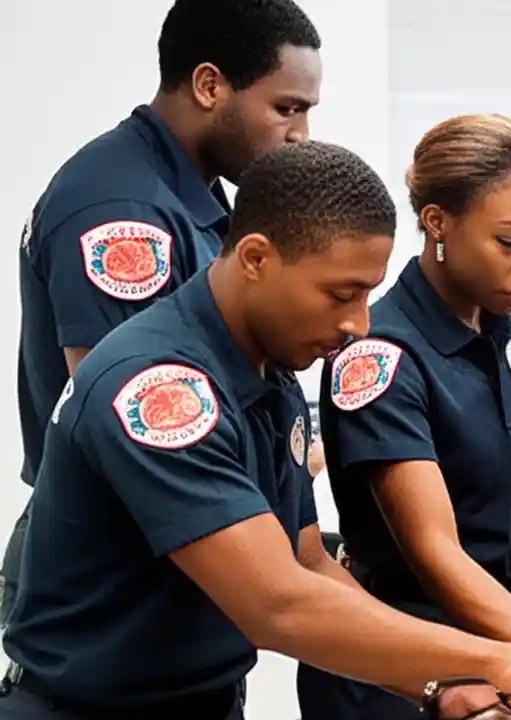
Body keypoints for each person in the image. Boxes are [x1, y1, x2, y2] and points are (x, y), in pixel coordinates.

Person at [0, 141, 511, 720]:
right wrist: (501, 656)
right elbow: (278, 605)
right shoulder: (161, 388)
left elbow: (308, 564)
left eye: (368, 294)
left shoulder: (272, 379)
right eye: (340, 294)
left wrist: (440, 685)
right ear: (256, 258)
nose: (357, 323)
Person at [4, 0, 324, 626]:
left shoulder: (197, 197)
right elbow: (133, 420)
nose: (300, 135)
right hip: (106, 572)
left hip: (168, 543)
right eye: (287, 108)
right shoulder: (122, 209)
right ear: (210, 86)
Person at [294, 114, 511, 720]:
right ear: (437, 224)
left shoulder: (503, 335)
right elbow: (434, 552)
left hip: (493, 636)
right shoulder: (379, 357)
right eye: (510, 242)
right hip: (400, 653)